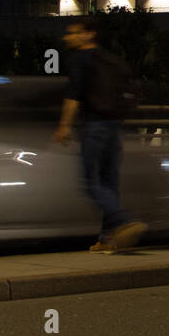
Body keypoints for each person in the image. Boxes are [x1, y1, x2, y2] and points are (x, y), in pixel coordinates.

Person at [53, 16, 147, 254]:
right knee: (109, 181)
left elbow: (73, 95)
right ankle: (107, 239)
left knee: (89, 182)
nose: (68, 37)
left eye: (73, 33)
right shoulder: (108, 59)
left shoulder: (79, 59)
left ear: (88, 34)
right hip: (114, 125)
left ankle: (122, 221)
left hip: (95, 125)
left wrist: (64, 125)